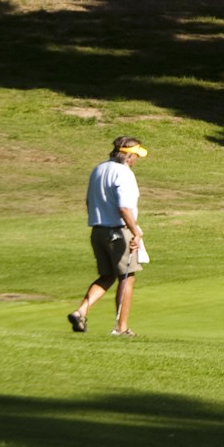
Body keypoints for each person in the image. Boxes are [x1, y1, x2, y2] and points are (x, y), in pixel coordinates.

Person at [70, 136, 149, 337]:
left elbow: (89, 202)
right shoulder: (124, 174)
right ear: (128, 155)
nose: (136, 160)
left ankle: (81, 312)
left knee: (107, 276)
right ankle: (121, 328)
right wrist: (135, 232)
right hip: (118, 230)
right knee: (127, 278)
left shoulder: (99, 169)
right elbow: (124, 208)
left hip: (98, 230)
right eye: (136, 156)